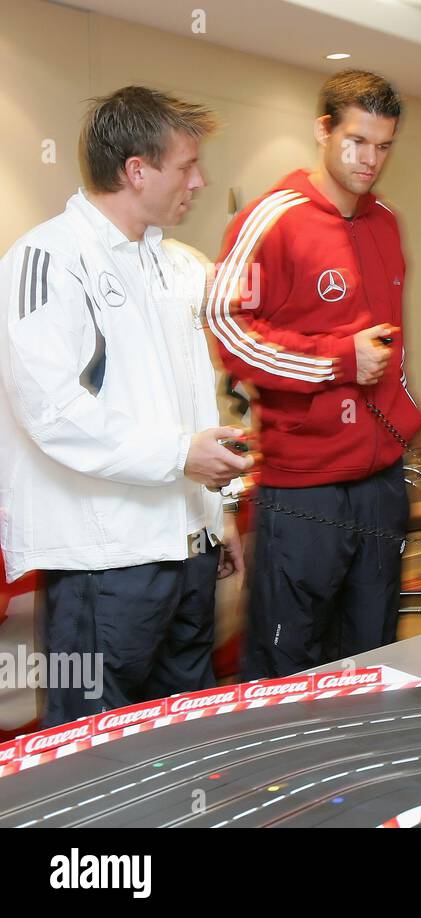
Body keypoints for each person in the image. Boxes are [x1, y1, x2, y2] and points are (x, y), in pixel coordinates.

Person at [0, 86, 250, 726]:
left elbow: (197, 402)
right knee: (95, 748)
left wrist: (215, 518)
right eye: (187, 165)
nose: (201, 180)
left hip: (185, 551)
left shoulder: (175, 265)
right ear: (136, 171)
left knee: (183, 735)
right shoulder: (46, 259)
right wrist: (178, 456)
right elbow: (52, 412)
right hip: (104, 566)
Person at [207, 70, 421, 676]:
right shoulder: (273, 217)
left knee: (372, 651)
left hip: (381, 479)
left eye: (383, 146)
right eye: (357, 141)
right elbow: (227, 329)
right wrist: (339, 361)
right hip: (305, 488)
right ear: (323, 130)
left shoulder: (385, 222)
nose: (370, 159)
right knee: (288, 661)